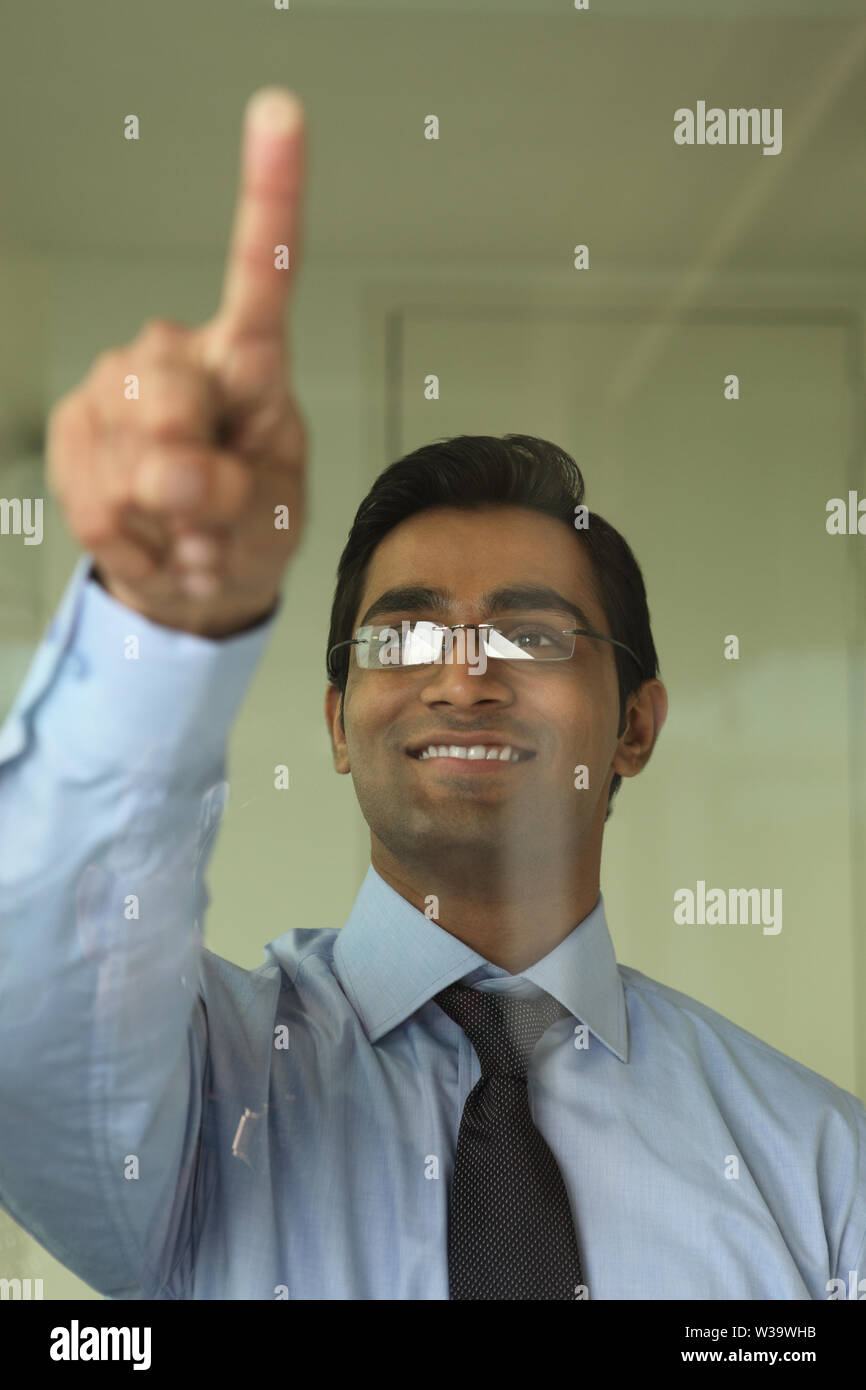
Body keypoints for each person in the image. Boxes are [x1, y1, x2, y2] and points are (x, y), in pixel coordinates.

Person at [0, 86, 863, 1303]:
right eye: (401, 635)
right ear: (335, 722)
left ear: (633, 725)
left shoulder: (820, 1172)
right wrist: (163, 619)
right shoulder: (196, 1099)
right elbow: (35, 1011)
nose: (461, 674)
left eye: (530, 633)